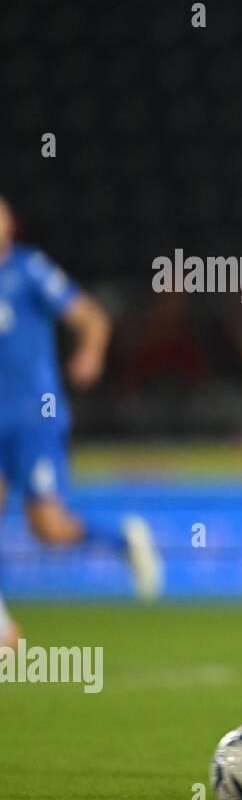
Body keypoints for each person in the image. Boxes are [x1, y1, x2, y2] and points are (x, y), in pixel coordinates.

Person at [0, 196, 163, 606]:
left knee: (49, 527)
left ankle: (122, 538)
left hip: (34, 417)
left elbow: (90, 316)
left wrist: (90, 352)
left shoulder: (28, 268)